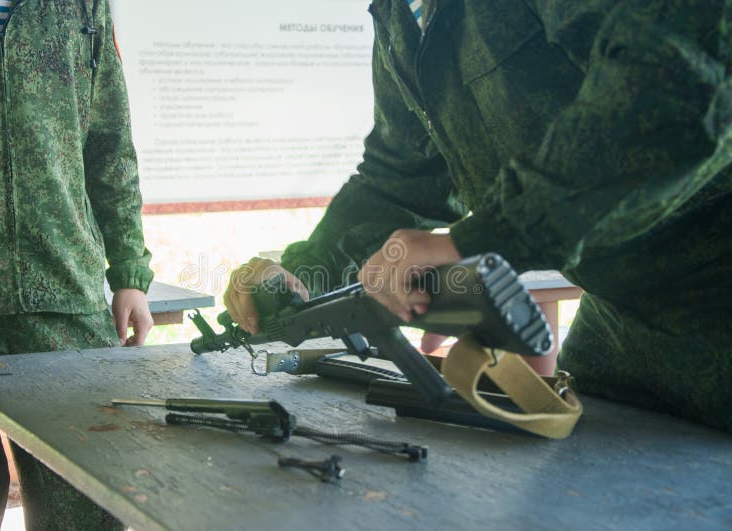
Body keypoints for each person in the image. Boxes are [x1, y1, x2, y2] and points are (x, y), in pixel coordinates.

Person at [225, 0, 732, 432]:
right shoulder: (401, 14)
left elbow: (681, 84)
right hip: (622, 327)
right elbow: (400, 177)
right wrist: (301, 275)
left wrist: (483, 238)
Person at [0, 0, 154, 528]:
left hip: (63, 286)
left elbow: (110, 143)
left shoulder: (81, 6)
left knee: (87, 498)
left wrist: (128, 270)